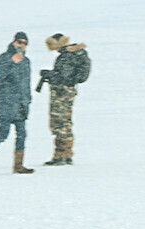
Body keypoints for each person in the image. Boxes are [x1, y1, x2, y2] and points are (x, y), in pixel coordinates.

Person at [0, 32, 34, 175]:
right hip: (7, 102)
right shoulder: (4, 57)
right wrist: (12, 63)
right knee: (4, 132)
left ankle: (18, 165)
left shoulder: (26, 61)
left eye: (25, 43)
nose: (22, 45)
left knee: (22, 134)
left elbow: (26, 82)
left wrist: (28, 99)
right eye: (20, 42)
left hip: (21, 103)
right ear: (14, 42)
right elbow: (0, 75)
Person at [39, 33, 89, 166]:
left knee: (60, 123)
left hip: (62, 92)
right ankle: (66, 155)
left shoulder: (67, 56)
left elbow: (64, 76)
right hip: (68, 91)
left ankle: (61, 156)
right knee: (65, 122)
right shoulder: (73, 54)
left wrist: (49, 75)